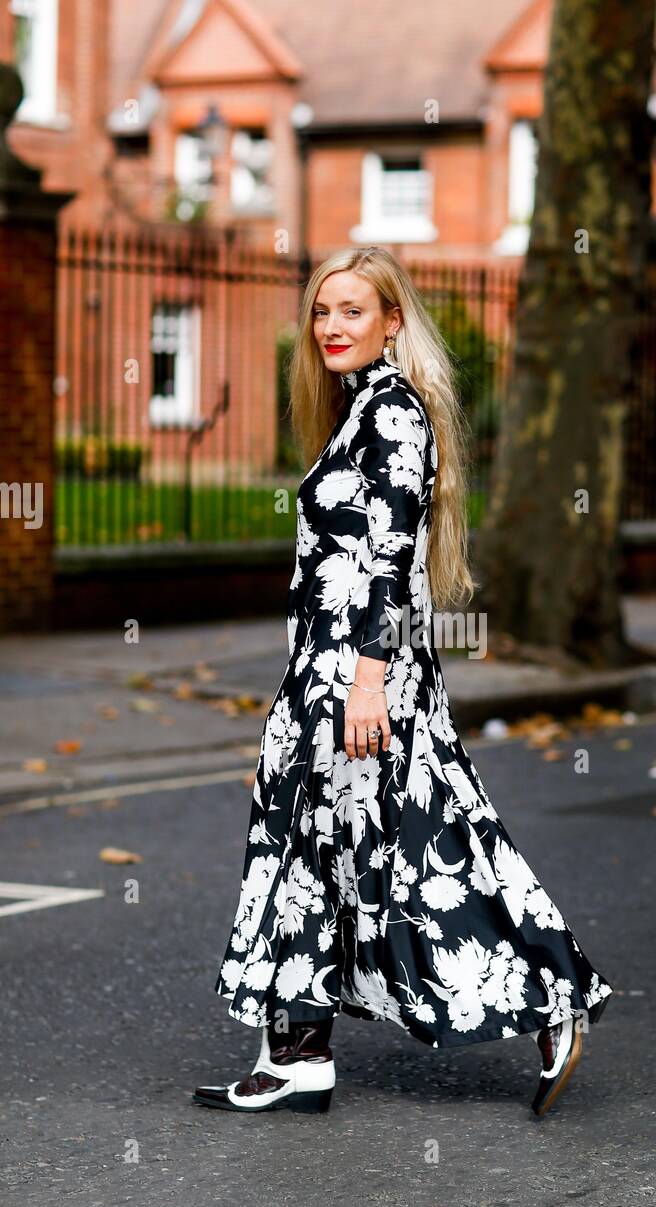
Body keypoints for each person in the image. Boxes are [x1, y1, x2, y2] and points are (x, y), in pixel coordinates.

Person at [193, 245, 613, 1118]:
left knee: (410, 847)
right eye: (321, 311)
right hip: (332, 668)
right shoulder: (361, 410)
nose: (331, 326)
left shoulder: (391, 413)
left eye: (352, 310)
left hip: (360, 672)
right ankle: (298, 1055)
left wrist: (367, 684)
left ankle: (549, 995)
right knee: (337, 846)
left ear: (391, 321)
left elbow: (388, 560)